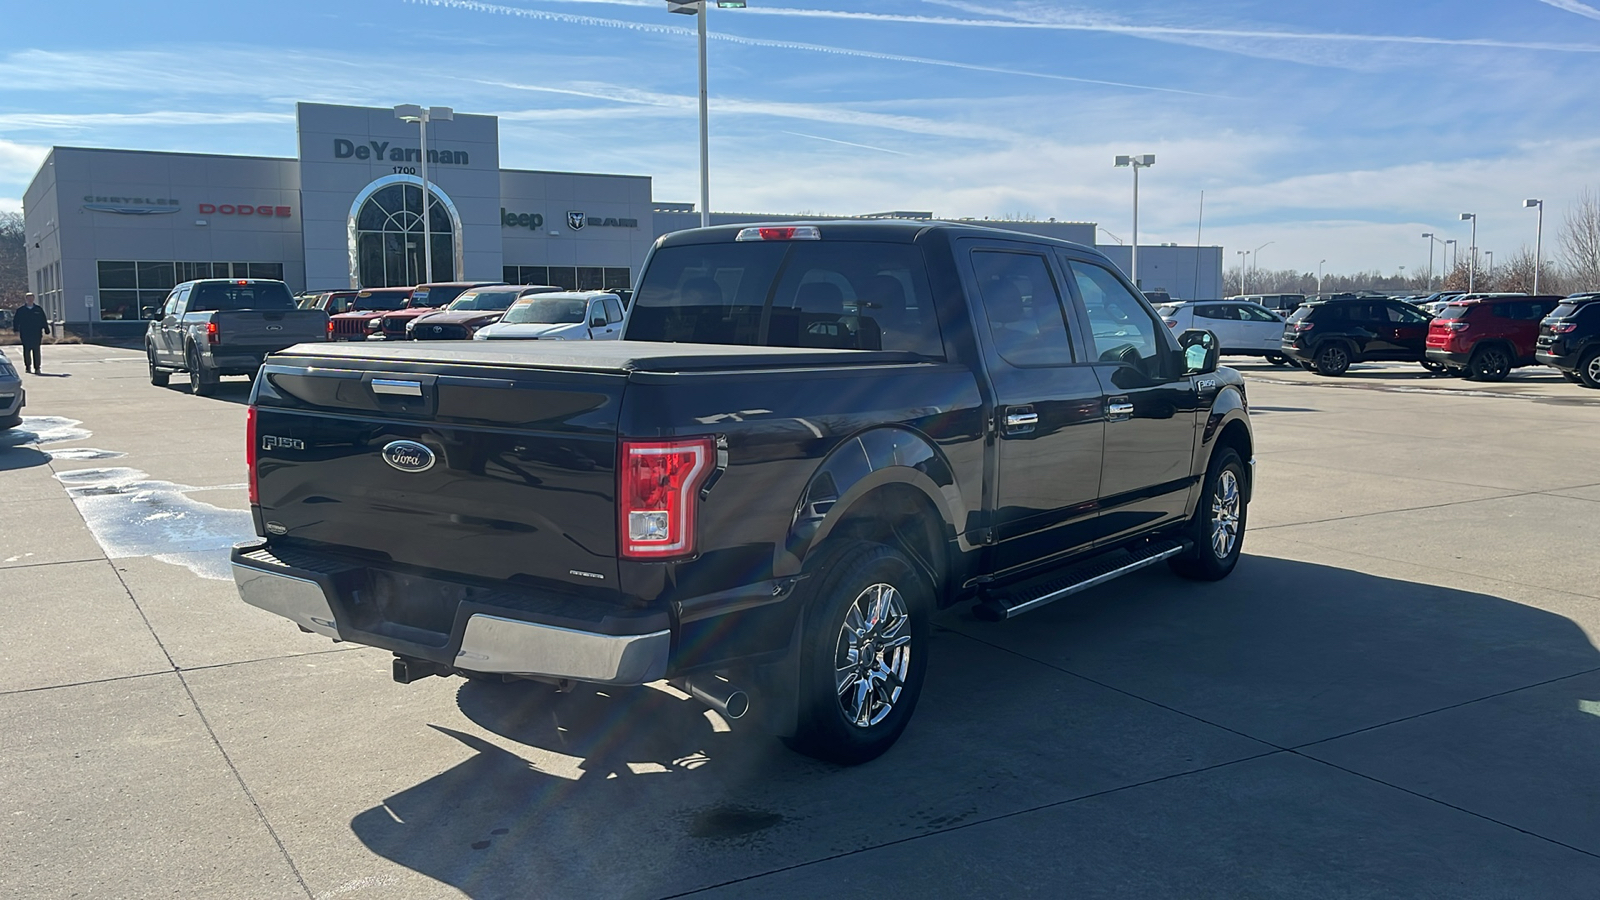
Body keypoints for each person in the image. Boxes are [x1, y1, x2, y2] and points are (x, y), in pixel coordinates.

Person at [12, 293, 51, 374]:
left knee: (36, 350)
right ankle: (28, 367)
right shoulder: (21, 310)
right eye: (28, 298)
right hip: (25, 333)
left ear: (33, 298)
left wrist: (46, 329)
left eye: (31, 298)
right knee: (27, 350)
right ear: (26, 299)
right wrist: (16, 330)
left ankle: (37, 368)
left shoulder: (38, 309)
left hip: (36, 333)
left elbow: (43, 319)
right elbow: (16, 320)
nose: (30, 299)